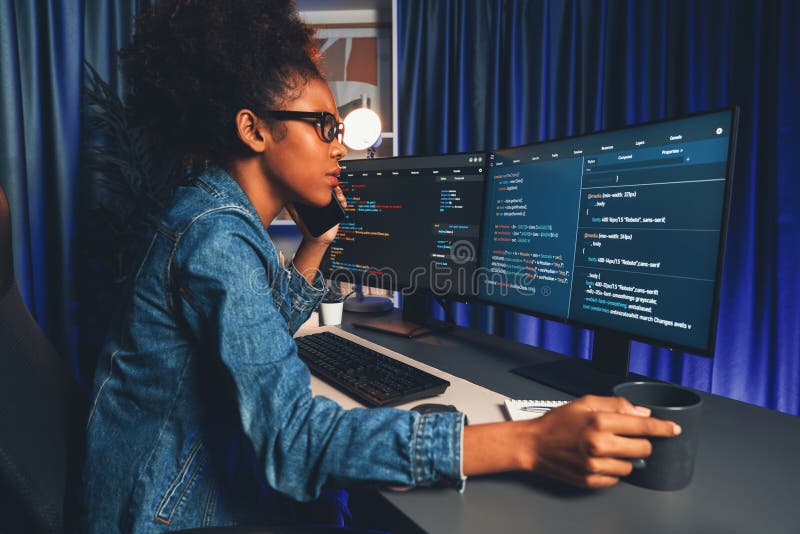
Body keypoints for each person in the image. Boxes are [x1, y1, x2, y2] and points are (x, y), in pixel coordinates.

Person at [81, 1, 680, 532]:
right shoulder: (214, 235)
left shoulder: (212, 213)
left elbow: (258, 328)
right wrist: (528, 442)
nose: (340, 146)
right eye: (323, 126)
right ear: (253, 128)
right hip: (161, 512)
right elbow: (293, 441)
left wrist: (319, 239)